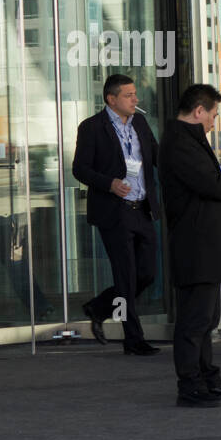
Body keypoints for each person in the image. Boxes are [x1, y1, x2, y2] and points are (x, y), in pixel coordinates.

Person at [160, 84, 221, 408]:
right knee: (195, 320)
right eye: (213, 114)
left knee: (207, 317)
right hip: (195, 245)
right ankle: (190, 385)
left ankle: (208, 379)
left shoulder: (188, 140)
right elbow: (209, 183)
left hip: (204, 244)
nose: (214, 122)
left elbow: (209, 181)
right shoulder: (180, 142)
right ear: (199, 111)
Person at [72, 74, 161, 355]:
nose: (136, 99)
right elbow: (80, 169)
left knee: (147, 274)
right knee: (126, 276)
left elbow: (157, 156)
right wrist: (109, 183)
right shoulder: (92, 127)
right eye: (129, 95)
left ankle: (100, 307)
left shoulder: (140, 123)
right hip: (115, 212)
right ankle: (133, 339)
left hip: (142, 208)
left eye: (135, 94)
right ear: (112, 99)